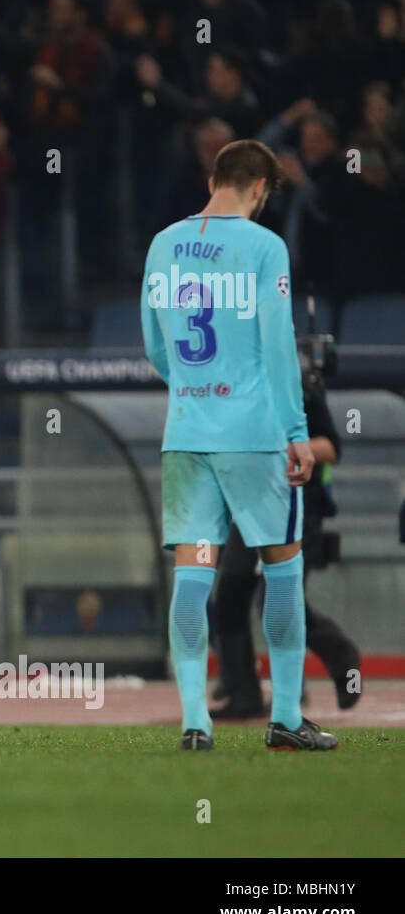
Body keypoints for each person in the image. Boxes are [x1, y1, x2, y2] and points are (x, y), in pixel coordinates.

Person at [140, 137, 337, 752]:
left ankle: (196, 722)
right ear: (259, 189)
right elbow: (279, 345)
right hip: (254, 437)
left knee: (193, 579)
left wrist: (196, 391)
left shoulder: (164, 244)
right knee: (282, 572)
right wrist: (298, 433)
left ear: (212, 180)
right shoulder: (263, 247)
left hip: (187, 434)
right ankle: (284, 718)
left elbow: (153, 343)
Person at [211, 359, 361, 717]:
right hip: (248, 503)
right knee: (228, 597)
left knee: (276, 604)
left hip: (295, 503)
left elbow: (331, 447)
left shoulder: (297, 383)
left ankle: (341, 656)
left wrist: (288, 451)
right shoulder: (235, 386)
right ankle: (243, 691)